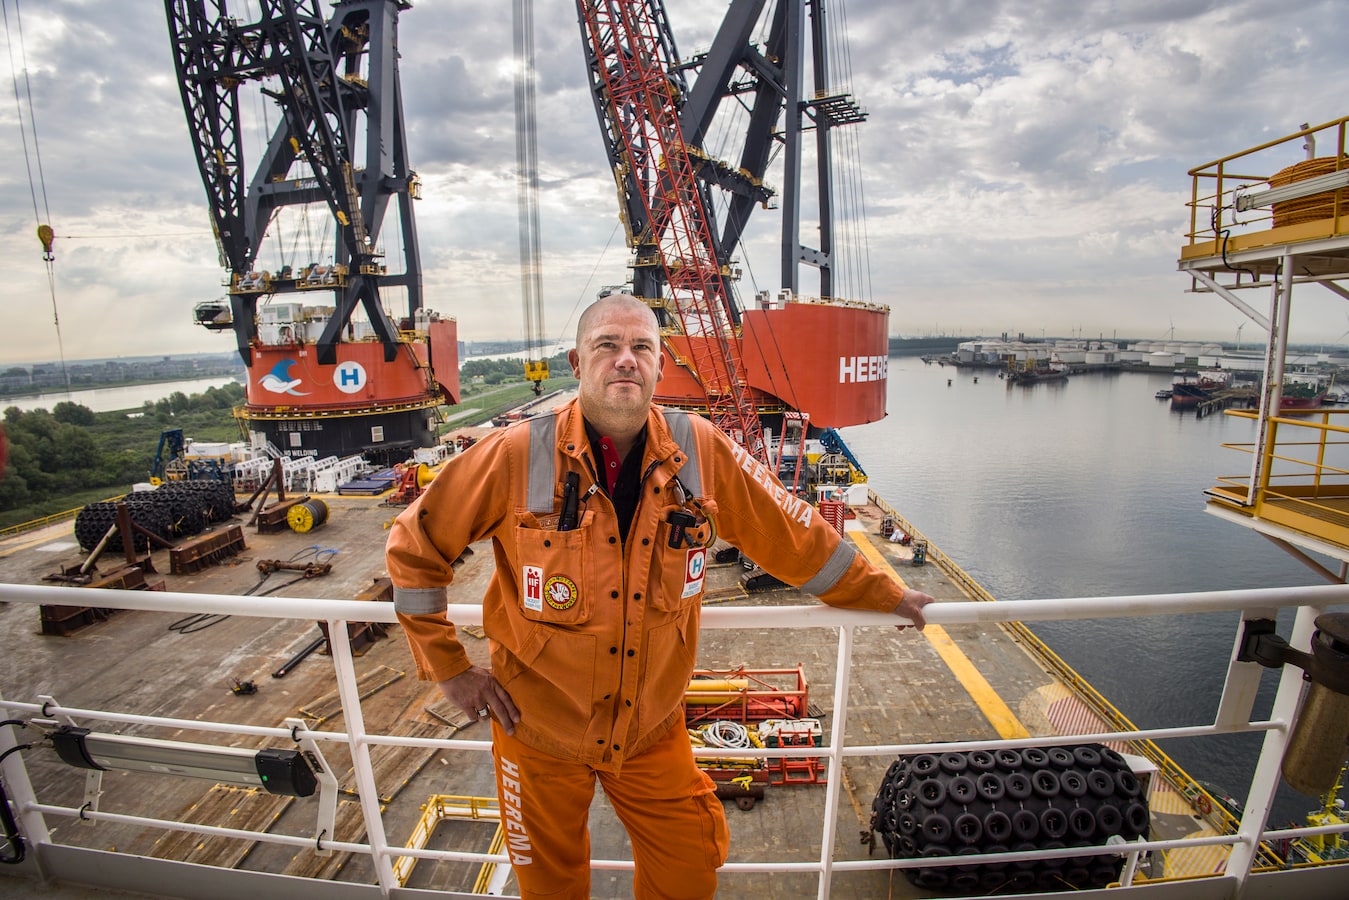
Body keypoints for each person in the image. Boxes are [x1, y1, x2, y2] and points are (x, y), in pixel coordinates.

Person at [386, 293, 933, 899]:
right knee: (548, 885)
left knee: (690, 864)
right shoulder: (518, 454)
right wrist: (450, 670)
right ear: (576, 361)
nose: (626, 360)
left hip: (650, 727)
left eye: (641, 347)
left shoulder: (698, 446)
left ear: (659, 365)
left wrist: (885, 593)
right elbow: (415, 544)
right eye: (608, 346)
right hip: (536, 730)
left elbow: (794, 535)